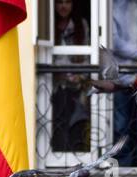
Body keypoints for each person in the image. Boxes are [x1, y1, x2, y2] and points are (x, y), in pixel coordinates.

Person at [110, 0, 137, 166]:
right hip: (121, 76)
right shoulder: (113, 6)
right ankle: (123, 167)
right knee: (121, 126)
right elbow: (113, 41)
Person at [51, 0, 92, 152]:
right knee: (59, 122)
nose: (63, 6)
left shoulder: (81, 25)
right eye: (59, 2)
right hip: (56, 86)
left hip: (78, 86)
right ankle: (60, 154)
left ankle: (77, 157)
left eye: (67, 2)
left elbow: (89, 55)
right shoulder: (49, 24)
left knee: (78, 124)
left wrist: (80, 76)